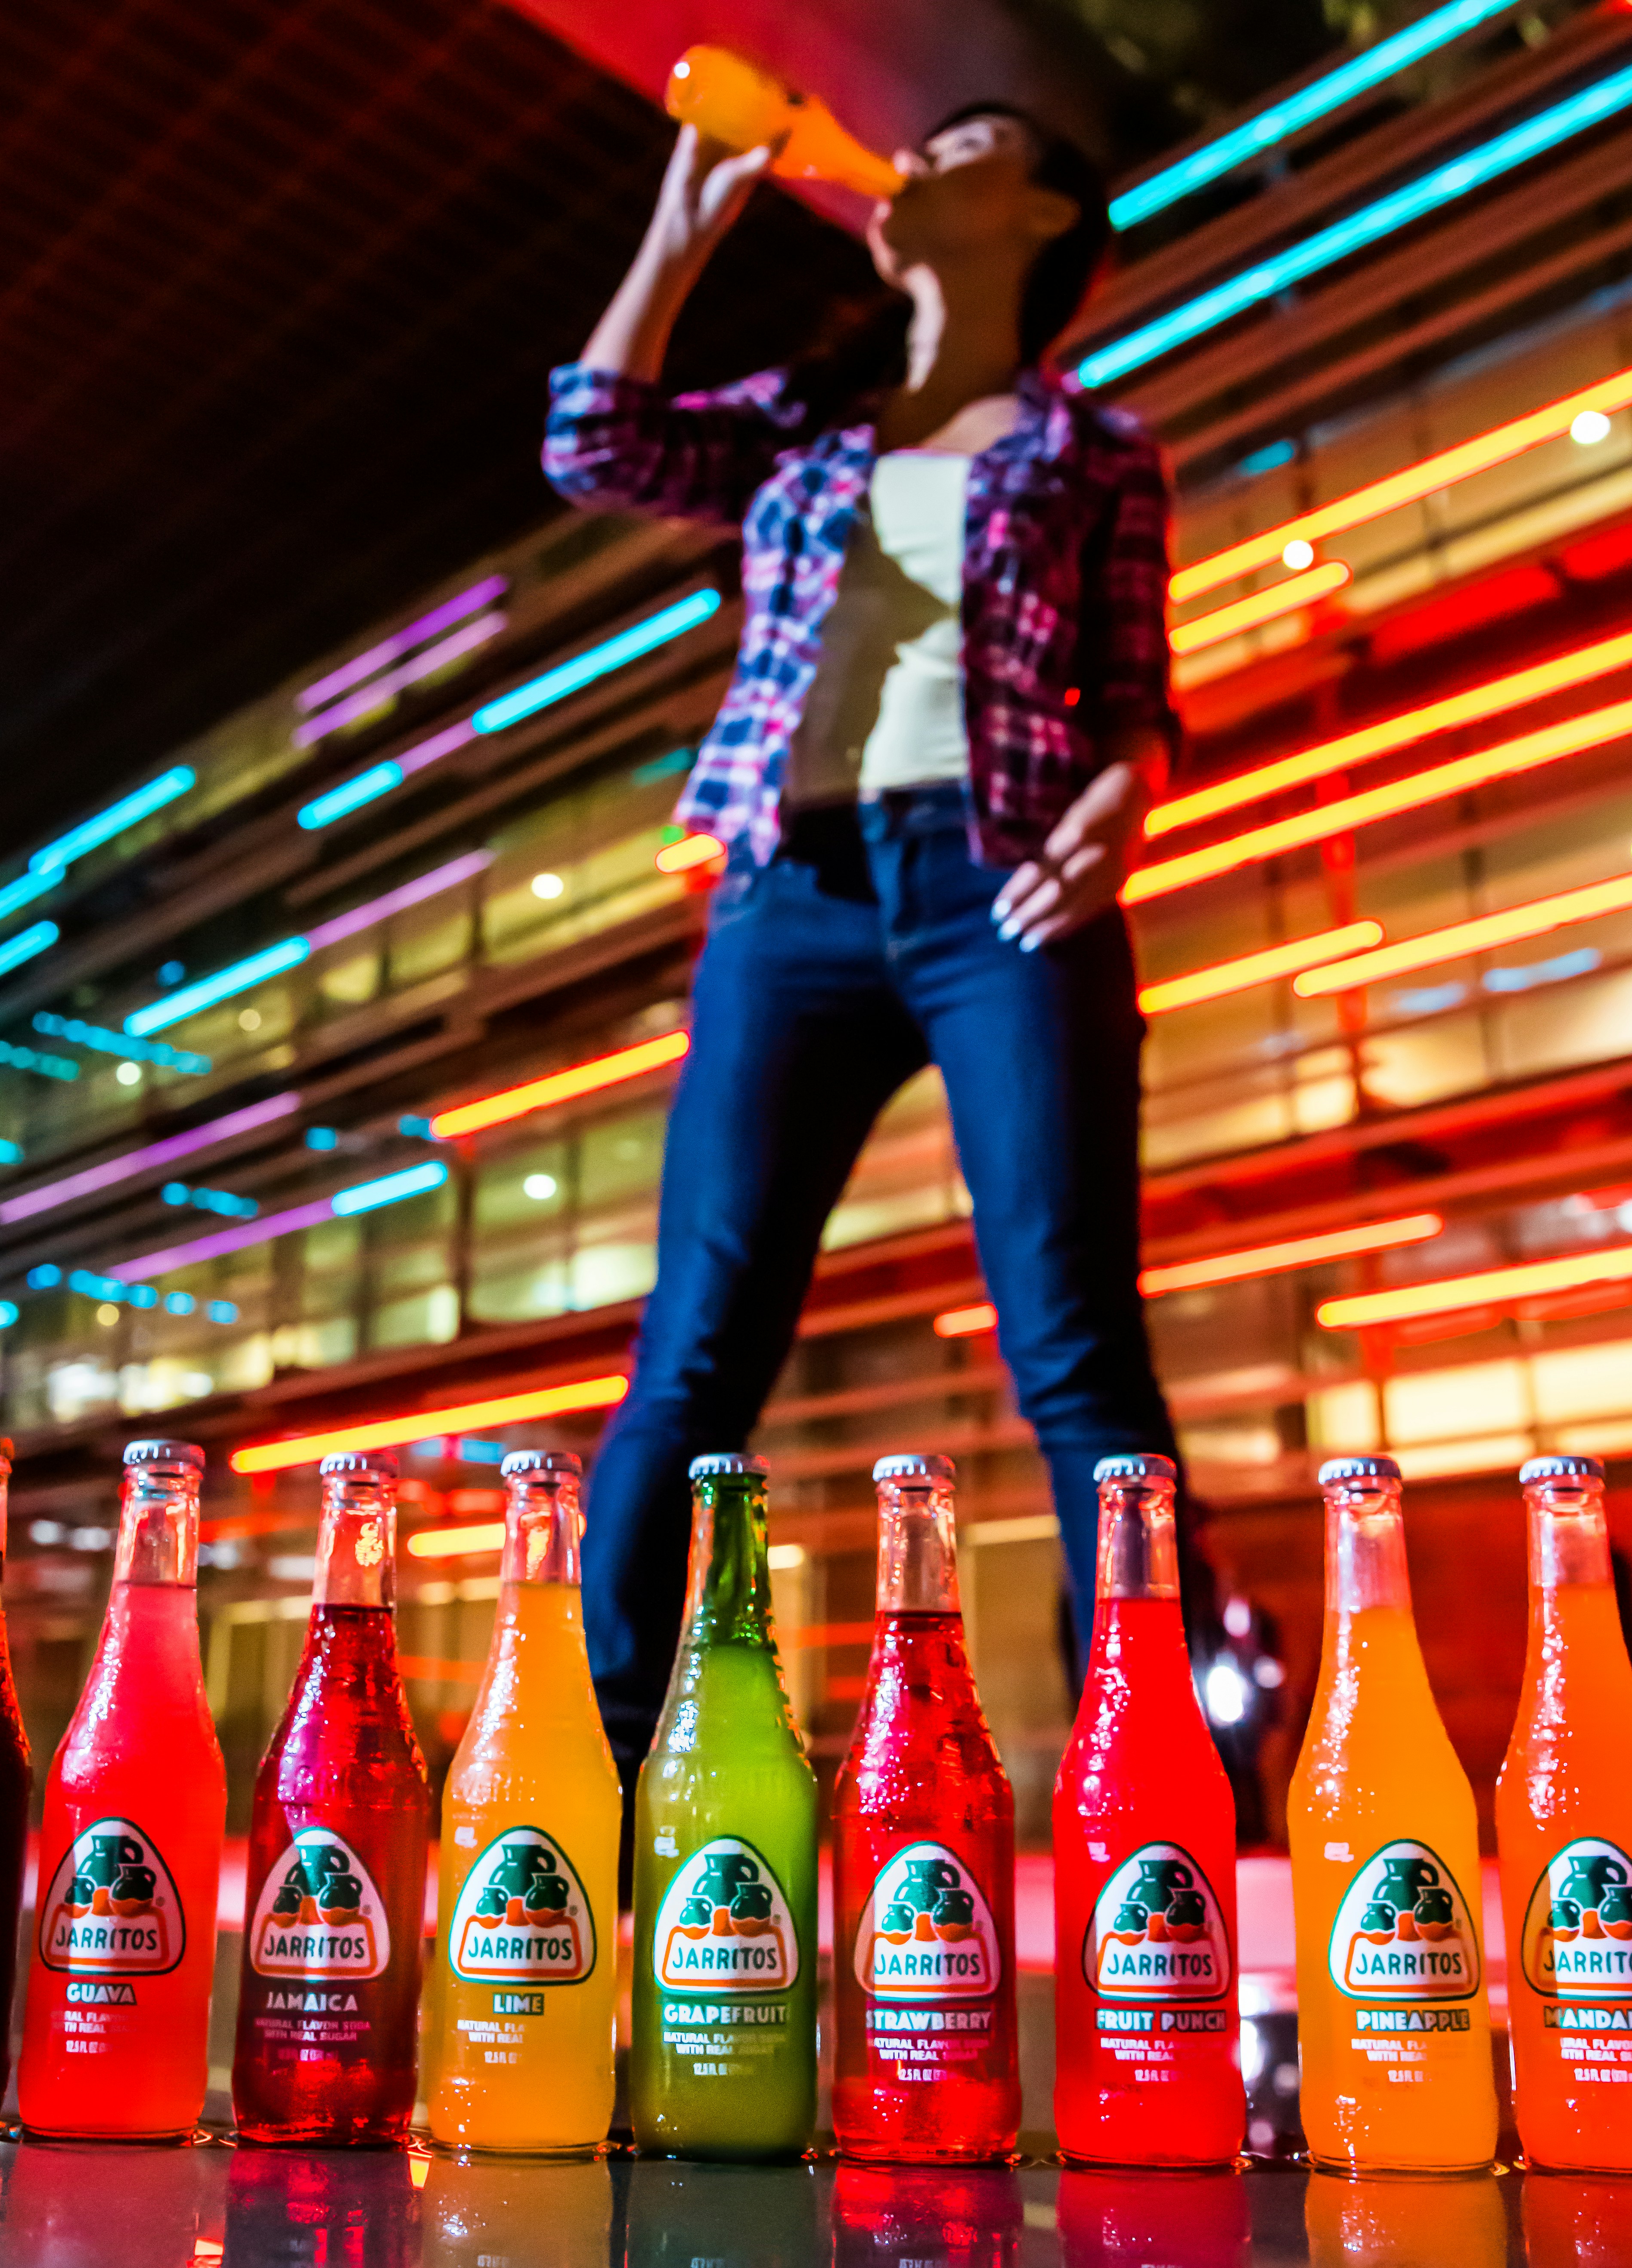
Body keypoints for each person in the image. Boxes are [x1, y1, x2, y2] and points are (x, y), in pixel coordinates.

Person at [543, 104, 1185, 1800]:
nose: (909, 158)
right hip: (793, 899)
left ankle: (1153, 1791)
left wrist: (1120, 811)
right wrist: (680, 229)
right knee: (697, 1346)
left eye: (962, 142)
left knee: (1073, 1342)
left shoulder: (1096, 448)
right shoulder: (807, 422)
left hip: (1000, 885)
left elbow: (1136, 704)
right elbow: (596, 445)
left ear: (1045, 205)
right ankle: (596, 1783)